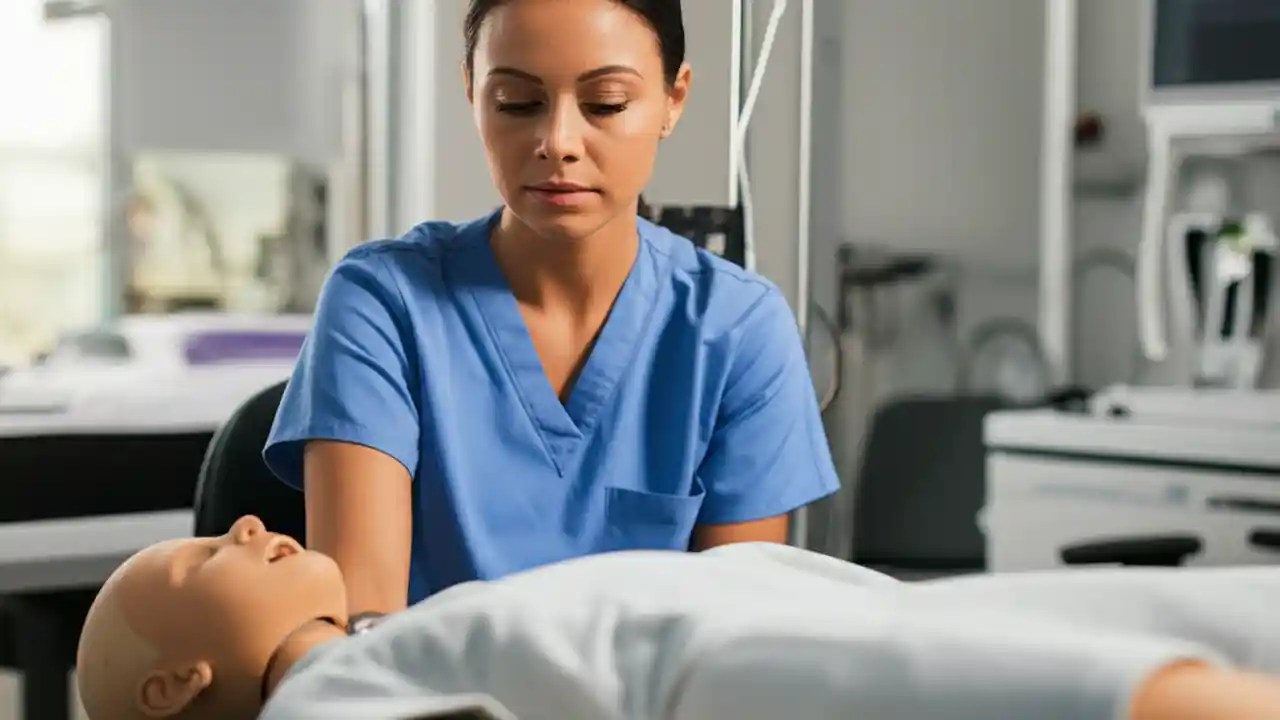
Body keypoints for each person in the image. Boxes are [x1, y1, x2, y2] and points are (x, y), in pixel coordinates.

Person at [262, 0, 840, 627]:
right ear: (472, 93)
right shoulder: (383, 301)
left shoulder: (737, 329)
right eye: (516, 102)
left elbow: (734, 645)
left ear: (674, 99)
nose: (557, 143)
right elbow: (362, 633)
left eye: (607, 103)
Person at [75, 514, 1280, 720]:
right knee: (1138, 681)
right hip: (724, 676)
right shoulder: (325, 694)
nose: (241, 527)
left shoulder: (390, 641)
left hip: (821, 608)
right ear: (176, 686)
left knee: (1146, 612)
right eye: (197, 561)